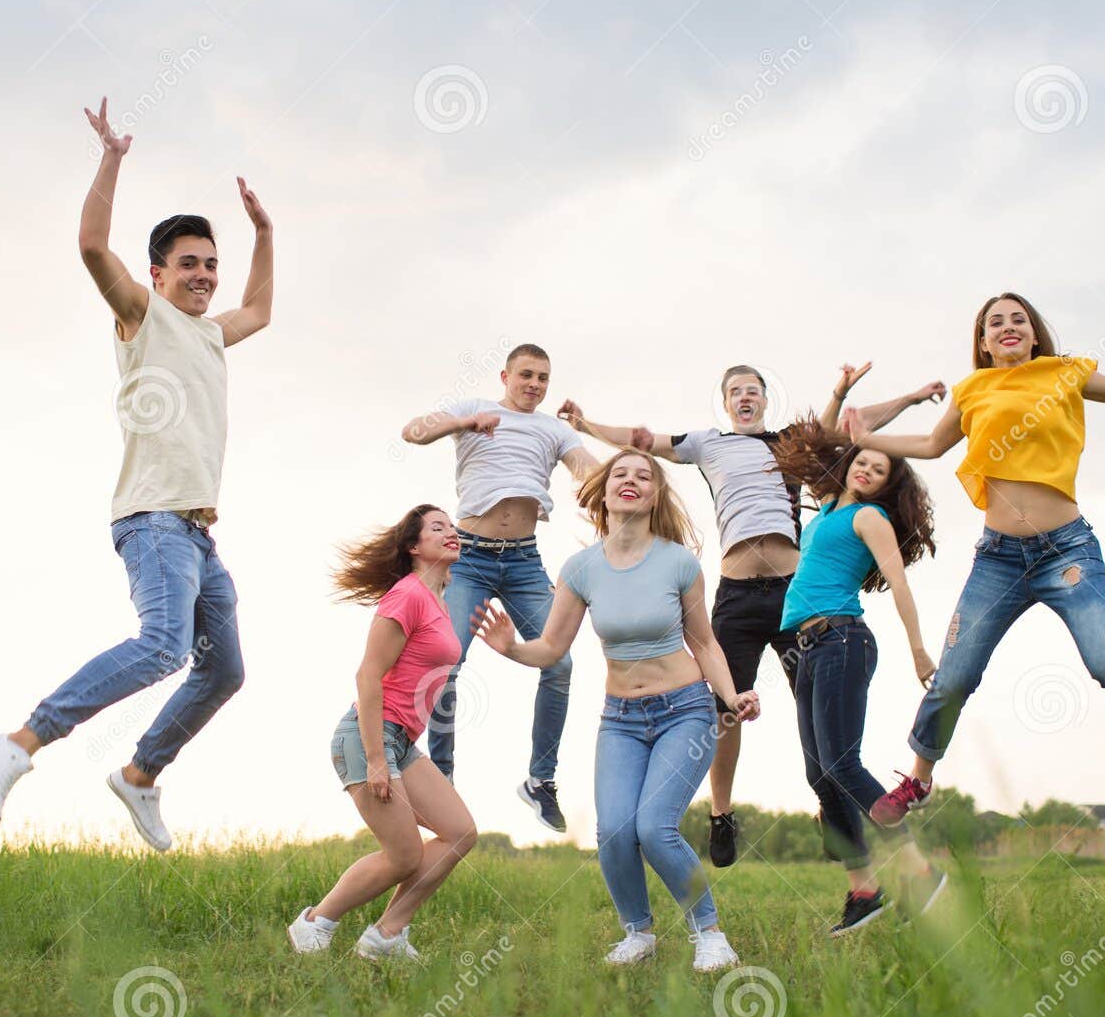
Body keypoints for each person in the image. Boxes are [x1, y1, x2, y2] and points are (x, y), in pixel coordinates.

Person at [0, 97, 274, 851]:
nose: (204, 275)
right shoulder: (142, 315)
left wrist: (264, 234)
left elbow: (261, 311)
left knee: (224, 671)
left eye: (211, 264)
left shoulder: (211, 335)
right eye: (189, 264)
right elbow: (90, 244)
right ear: (157, 273)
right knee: (165, 645)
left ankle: (140, 775)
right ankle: (20, 741)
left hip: (198, 534)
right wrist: (111, 158)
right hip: (153, 520)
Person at [850, 293, 1105, 826]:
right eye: (995, 322)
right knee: (954, 676)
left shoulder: (1065, 373)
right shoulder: (973, 389)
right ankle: (919, 779)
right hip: (998, 560)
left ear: (1034, 334)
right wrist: (869, 438)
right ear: (983, 342)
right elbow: (933, 444)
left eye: (1018, 319)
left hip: (1067, 552)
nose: (1008, 326)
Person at [557, 363, 945, 866]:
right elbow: (641, 440)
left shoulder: (788, 443)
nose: (744, 397)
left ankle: (831, 801)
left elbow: (855, 424)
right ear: (726, 403)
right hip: (737, 594)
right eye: (735, 392)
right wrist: (585, 425)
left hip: (791, 593)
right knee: (724, 704)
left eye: (752, 391)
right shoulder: (707, 444)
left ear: (764, 399)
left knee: (817, 701)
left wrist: (910, 397)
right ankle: (722, 814)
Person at [472, 450, 757, 972]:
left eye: (643, 476)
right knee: (613, 832)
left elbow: (705, 643)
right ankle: (638, 934)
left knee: (654, 827)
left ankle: (711, 935)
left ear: (654, 495)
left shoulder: (678, 562)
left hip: (684, 710)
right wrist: (511, 647)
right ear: (603, 493)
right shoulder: (581, 569)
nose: (631, 481)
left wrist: (732, 695)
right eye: (620, 475)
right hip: (621, 719)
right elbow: (551, 648)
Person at [400, 345, 600, 833]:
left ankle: (540, 780)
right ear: (506, 376)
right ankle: (441, 778)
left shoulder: (554, 430)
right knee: (447, 662)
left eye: (543, 378)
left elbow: (589, 471)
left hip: (524, 562)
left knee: (560, 662)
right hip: (469, 559)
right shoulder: (474, 409)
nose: (535, 384)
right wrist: (463, 424)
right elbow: (413, 432)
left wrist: (591, 438)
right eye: (526, 375)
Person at [769, 415, 948, 934]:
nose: (866, 470)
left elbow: (900, 584)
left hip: (843, 641)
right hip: (807, 647)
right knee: (819, 774)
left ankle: (921, 872)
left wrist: (919, 651)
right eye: (861, 461)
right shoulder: (828, 506)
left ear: (887, 484)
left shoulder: (870, 517)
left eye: (878, 469)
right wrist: (848, 397)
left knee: (842, 765)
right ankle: (865, 890)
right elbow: (816, 440)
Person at [287, 506, 479, 960]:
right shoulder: (407, 595)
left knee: (460, 831)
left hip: (401, 742)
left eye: (452, 527)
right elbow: (368, 676)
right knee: (403, 855)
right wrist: (376, 758)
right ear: (414, 546)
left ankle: (387, 935)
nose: (451, 532)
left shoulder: (437, 599)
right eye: (437, 528)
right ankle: (315, 924)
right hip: (368, 736)